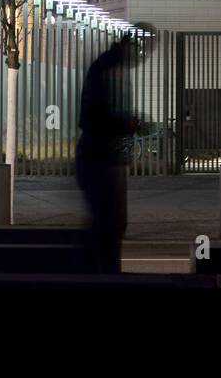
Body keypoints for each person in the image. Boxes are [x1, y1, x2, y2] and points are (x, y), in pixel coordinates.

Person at [75, 24, 149, 274]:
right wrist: (129, 123)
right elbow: (94, 117)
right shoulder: (110, 69)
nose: (143, 57)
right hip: (101, 159)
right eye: (142, 51)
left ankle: (101, 273)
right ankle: (102, 276)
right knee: (109, 224)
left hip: (104, 157)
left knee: (110, 224)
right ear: (131, 46)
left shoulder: (110, 67)